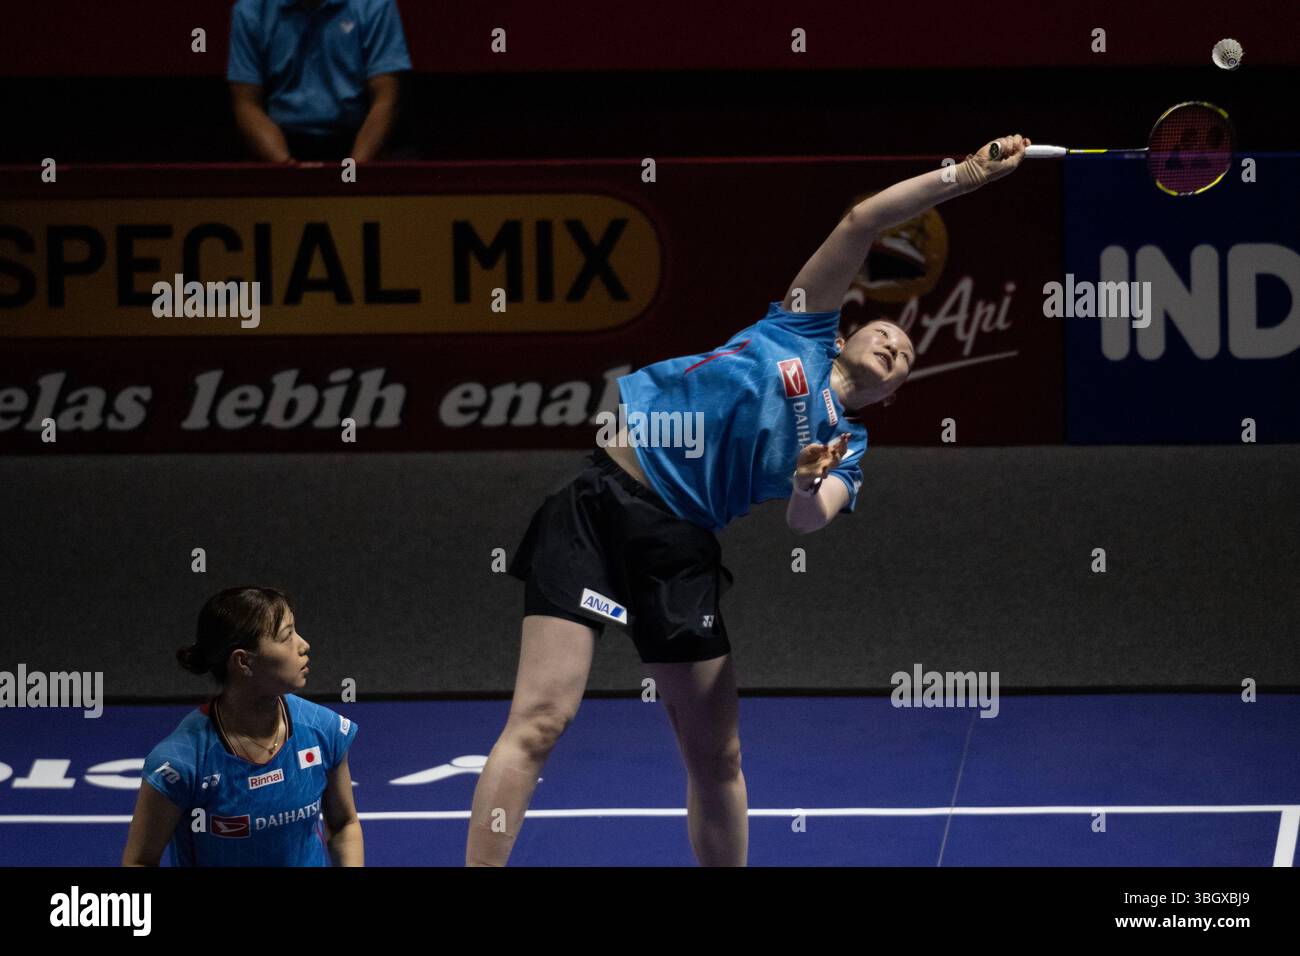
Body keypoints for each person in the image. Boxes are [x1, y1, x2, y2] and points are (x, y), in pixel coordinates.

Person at [466, 134, 1030, 867]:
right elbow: (862, 220)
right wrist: (964, 176)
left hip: (678, 547)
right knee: (538, 721)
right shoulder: (798, 326)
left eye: (908, 359)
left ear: (892, 396)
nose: (897, 347)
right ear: (850, 329)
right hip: (599, 502)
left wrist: (803, 482)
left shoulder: (849, 446)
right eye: (888, 333)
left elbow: (808, 518)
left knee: (716, 756)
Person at [122, 587, 363, 866]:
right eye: (287, 637)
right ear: (243, 661)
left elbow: (344, 823)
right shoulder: (182, 762)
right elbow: (139, 861)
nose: (304, 644)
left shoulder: (324, 729)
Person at [227, 0, 411, 163]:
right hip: (278, 146)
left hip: (359, 142)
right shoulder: (250, 10)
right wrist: (287, 166)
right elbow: (247, 105)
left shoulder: (375, 5)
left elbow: (386, 100)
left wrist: (351, 172)